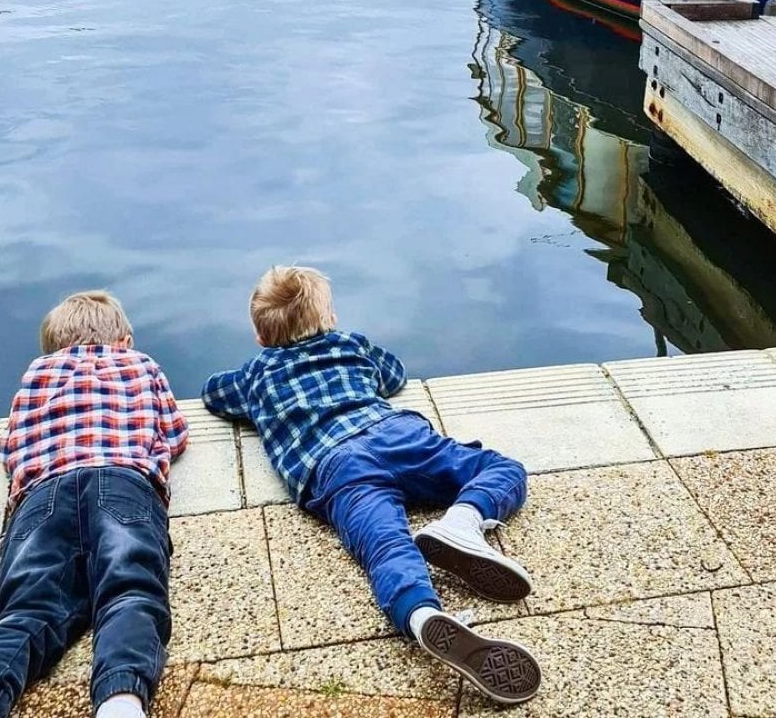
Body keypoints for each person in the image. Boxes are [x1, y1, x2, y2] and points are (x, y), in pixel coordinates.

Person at [202, 267, 541, 706]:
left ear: (261, 337)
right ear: (331, 317)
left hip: (337, 466)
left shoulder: (256, 373)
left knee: (383, 544)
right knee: (501, 468)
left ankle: (421, 613)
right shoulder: (350, 344)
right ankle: (462, 520)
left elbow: (214, 394)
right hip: (396, 433)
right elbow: (394, 374)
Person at [0, 292, 189, 718]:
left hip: (42, 495)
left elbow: (11, 449)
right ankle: (120, 699)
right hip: (122, 483)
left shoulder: (37, 372)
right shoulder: (141, 364)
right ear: (125, 340)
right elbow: (175, 434)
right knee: (130, 589)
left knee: (28, 604)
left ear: (53, 346)